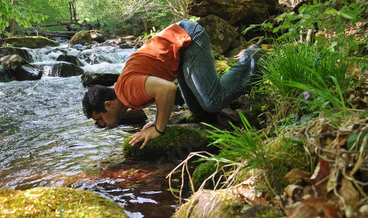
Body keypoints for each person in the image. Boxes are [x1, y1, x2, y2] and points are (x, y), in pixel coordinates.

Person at [82, 20, 265, 149]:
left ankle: (253, 59)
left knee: (212, 102)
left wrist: (159, 129)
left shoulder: (128, 91)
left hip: (188, 38)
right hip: (180, 49)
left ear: (109, 104)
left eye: (100, 119)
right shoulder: (124, 92)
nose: (102, 124)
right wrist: (156, 121)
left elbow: (168, 89)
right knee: (196, 109)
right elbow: (158, 88)